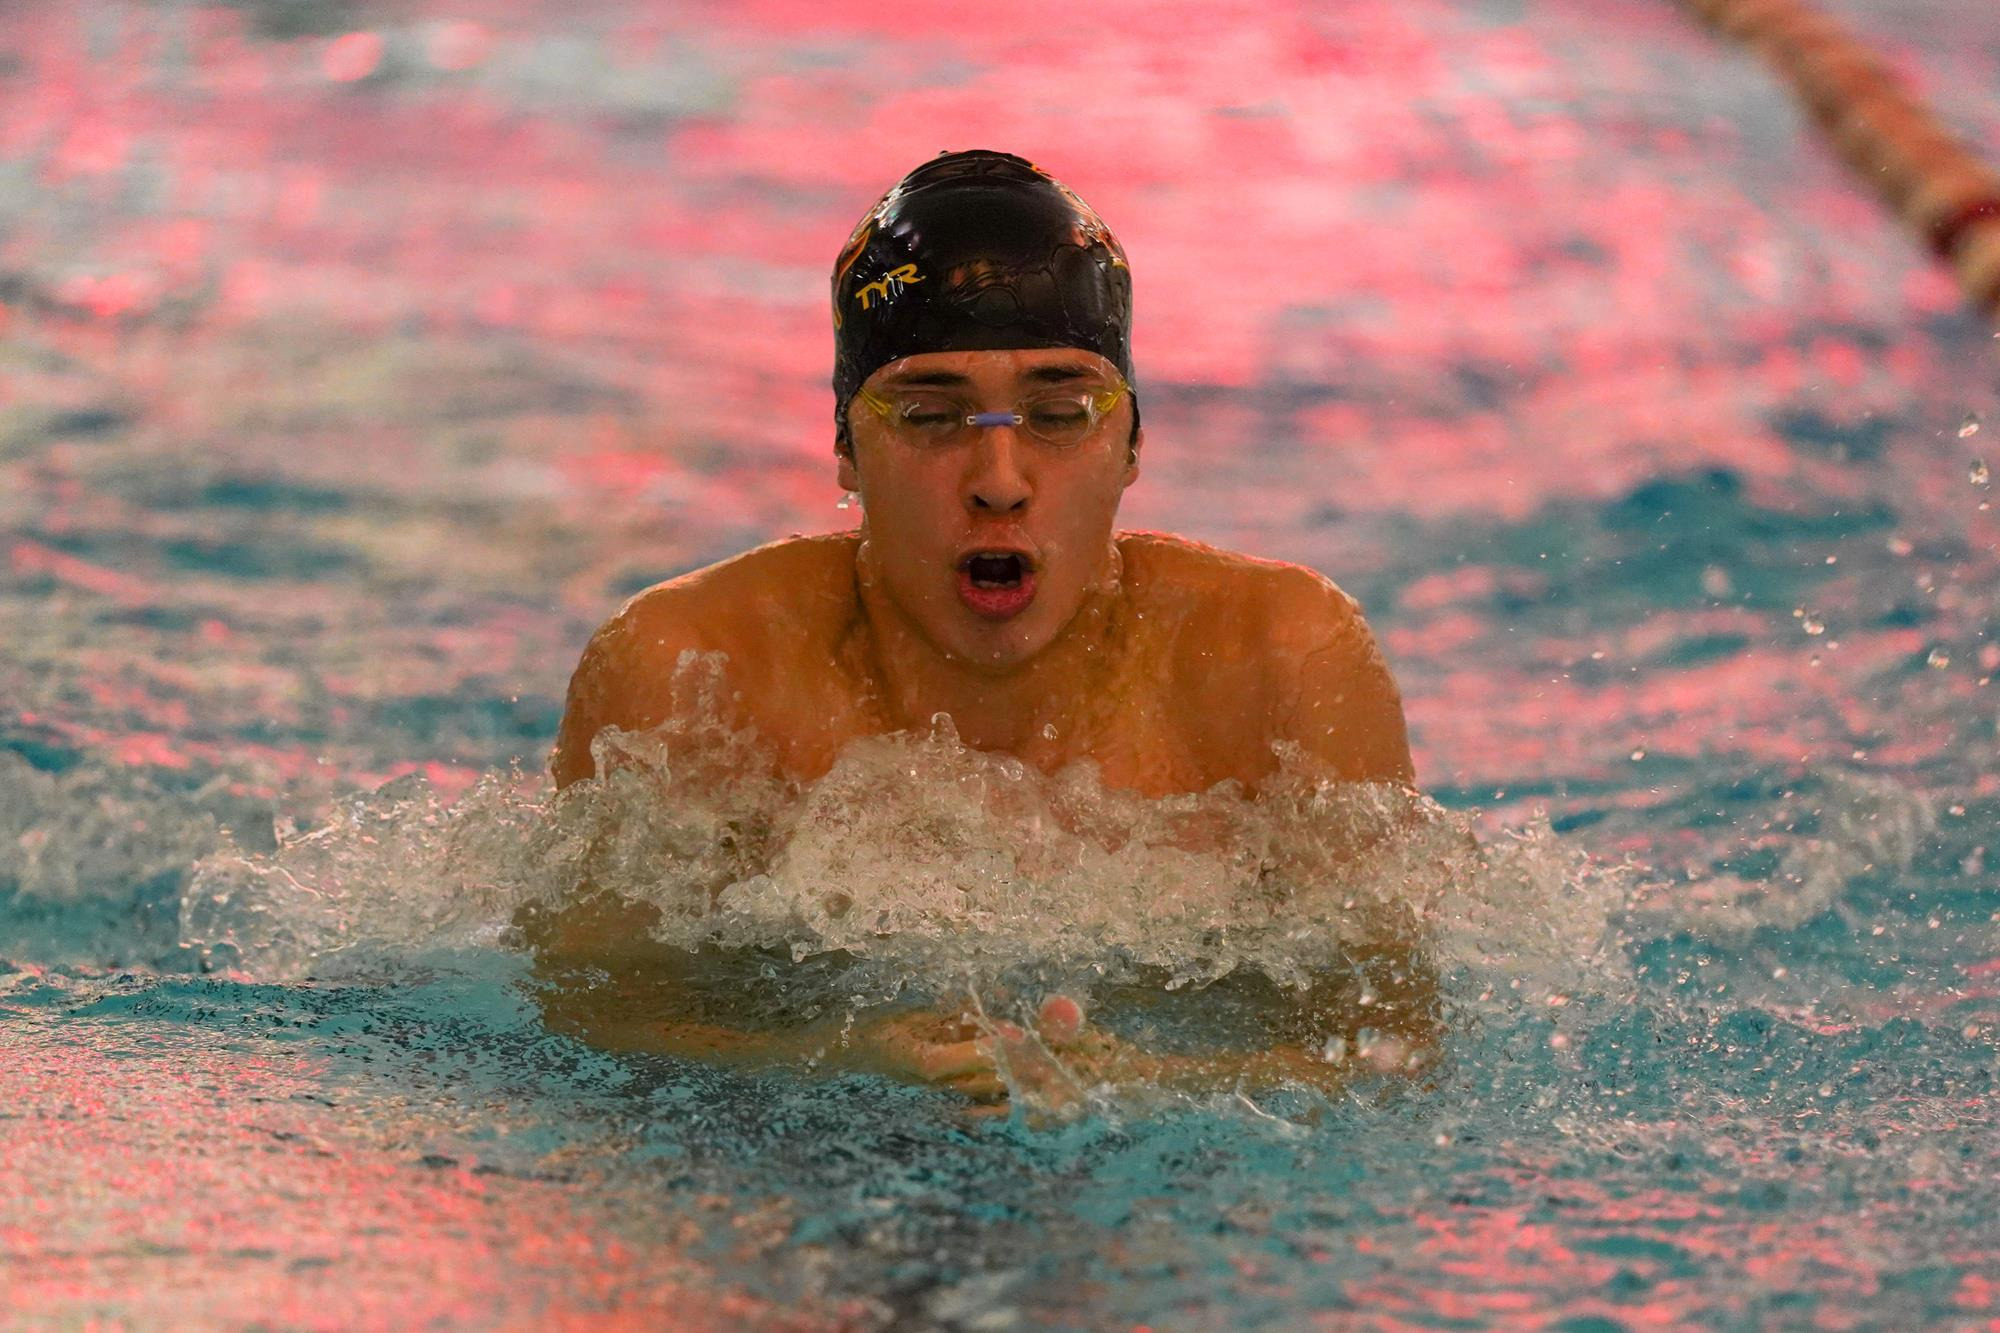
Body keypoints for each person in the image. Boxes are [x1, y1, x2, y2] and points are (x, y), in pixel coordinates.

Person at [529, 150, 1432, 1108]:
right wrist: (836, 1062)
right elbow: (584, 1021)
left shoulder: (1281, 659)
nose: (999, 479)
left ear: (1131, 445)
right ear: (846, 446)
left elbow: (1392, 1047)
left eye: (1061, 413)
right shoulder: (693, 675)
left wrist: (1165, 1086)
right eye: (928, 415)